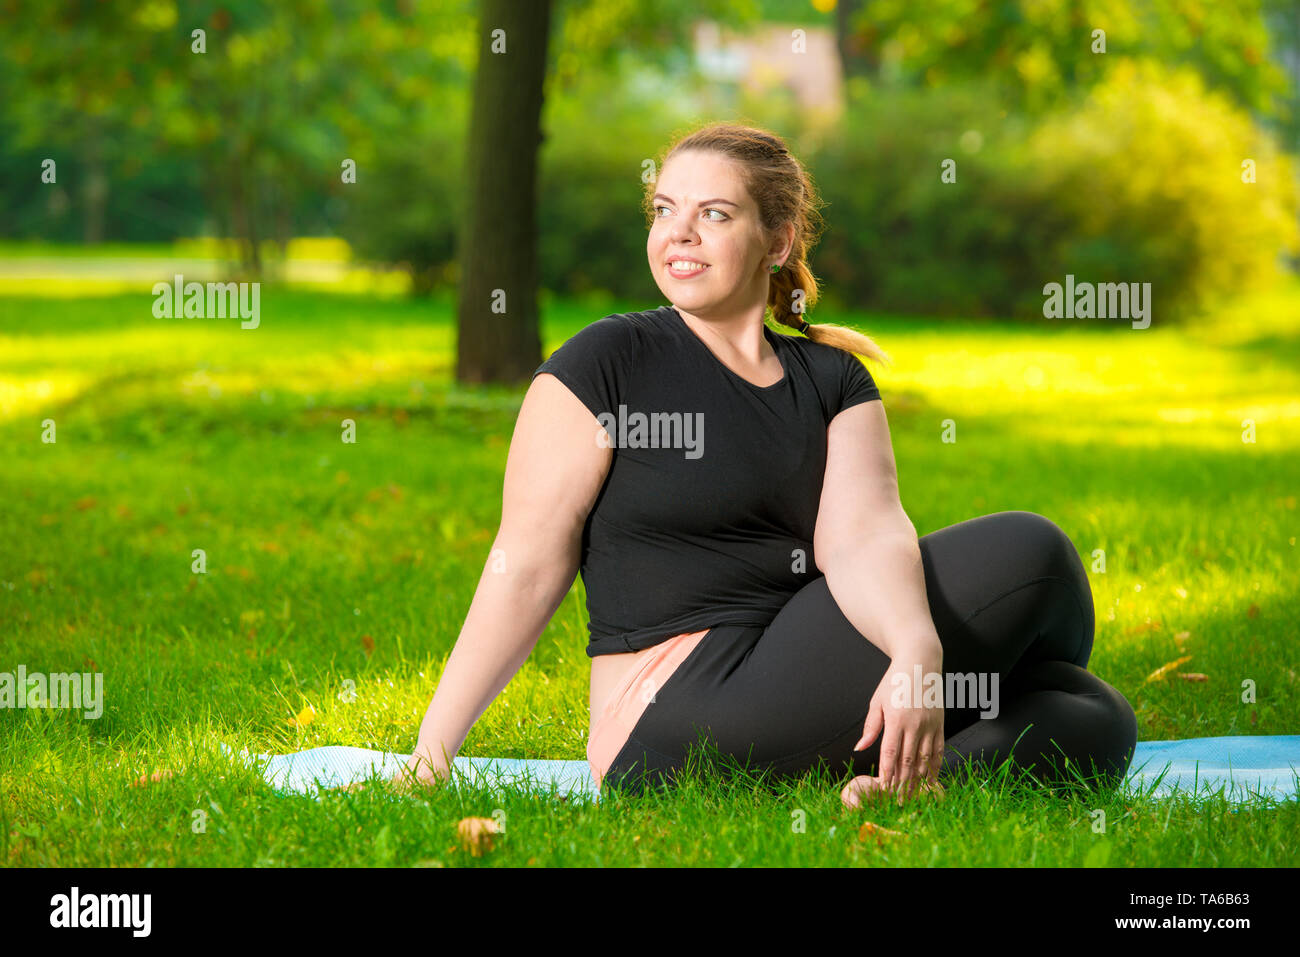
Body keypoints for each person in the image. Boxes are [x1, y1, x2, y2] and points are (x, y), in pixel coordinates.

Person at [394, 121, 1138, 808]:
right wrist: (433, 752)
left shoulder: (832, 379)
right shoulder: (604, 364)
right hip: (669, 712)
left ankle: (915, 783)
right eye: (663, 209)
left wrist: (915, 645)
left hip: (791, 671)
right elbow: (523, 563)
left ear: (777, 241)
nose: (678, 233)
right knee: (1034, 555)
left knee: (1092, 715)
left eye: (714, 214)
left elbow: (864, 537)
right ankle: (940, 725)